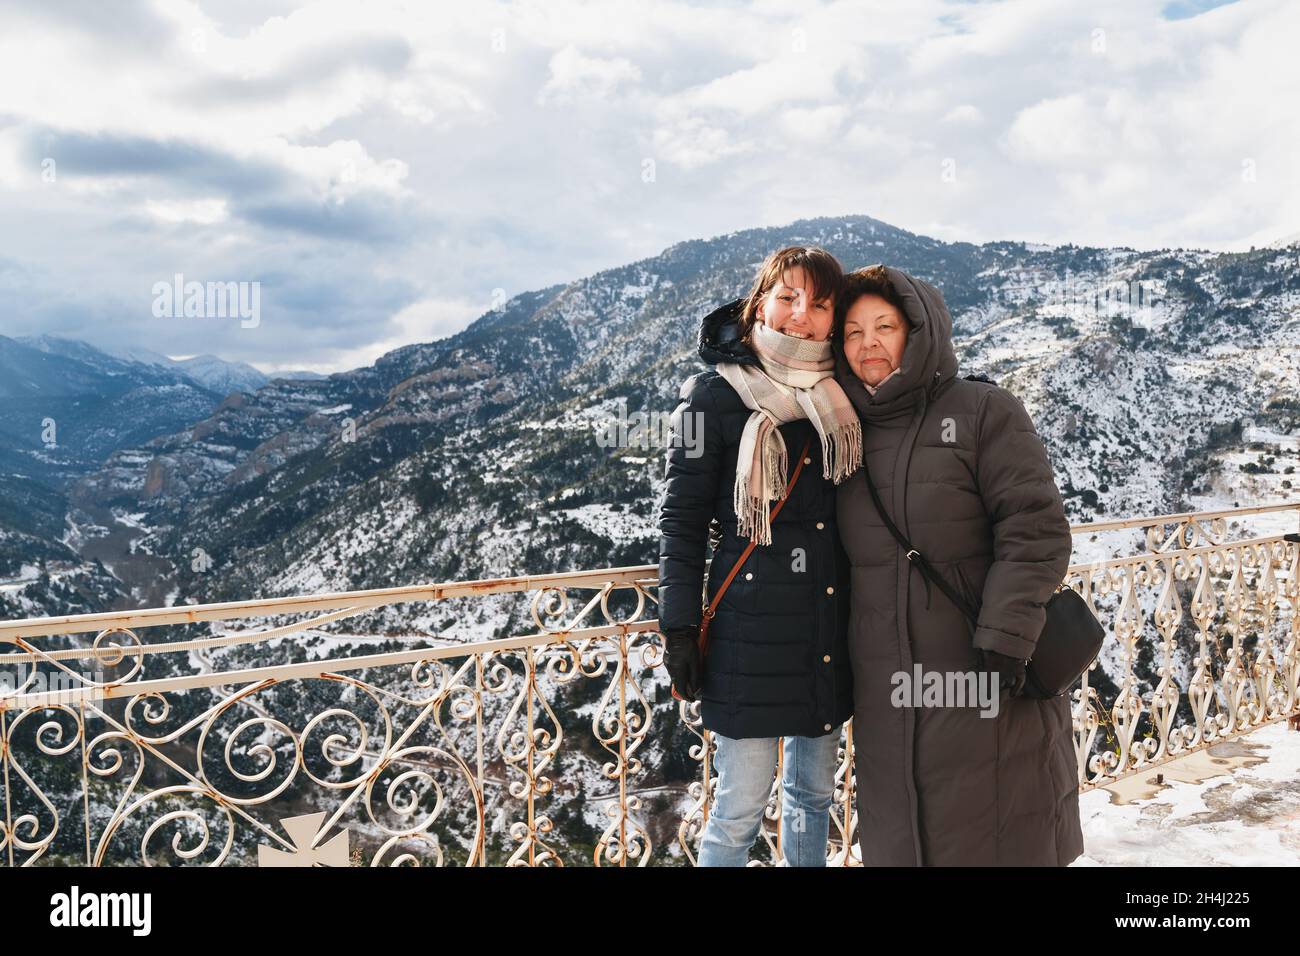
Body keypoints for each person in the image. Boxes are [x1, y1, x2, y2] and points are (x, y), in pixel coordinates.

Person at [833, 264, 1083, 866]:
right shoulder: (840, 431)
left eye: (884, 326)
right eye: (851, 331)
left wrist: (1003, 637)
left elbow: (1035, 529)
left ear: (919, 334)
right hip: (886, 692)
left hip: (985, 676)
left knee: (996, 830)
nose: (867, 343)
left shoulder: (981, 411)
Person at [657, 246, 858, 866]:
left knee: (811, 800)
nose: (802, 315)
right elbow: (682, 520)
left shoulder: (843, 397)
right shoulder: (713, 395)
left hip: (825, 633)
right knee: (739, 809)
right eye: (787, 297)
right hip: (747, 640)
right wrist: (679, 628)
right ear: (759, 303)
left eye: (819, 304)